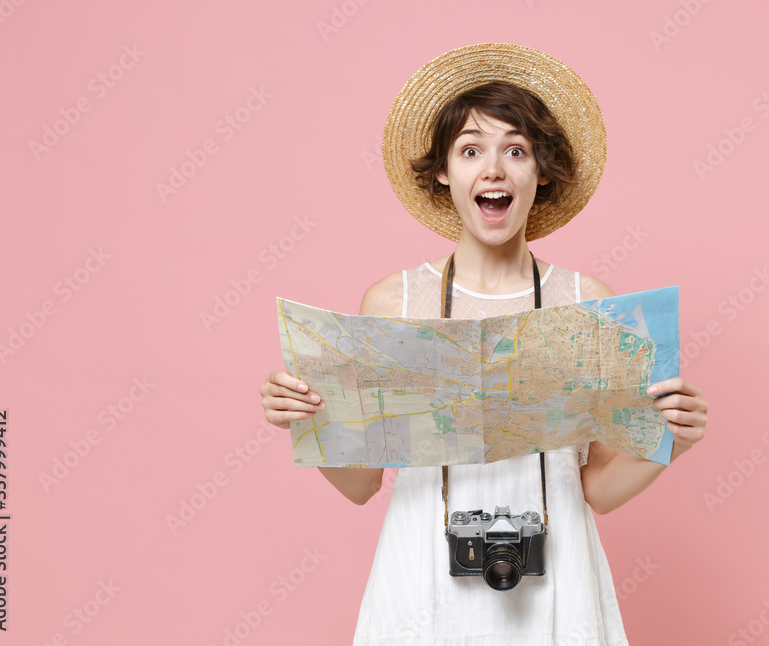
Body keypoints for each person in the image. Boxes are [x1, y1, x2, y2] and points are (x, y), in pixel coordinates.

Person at [259, 42, 709, 644]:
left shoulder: (588, 301)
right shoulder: (394, 304)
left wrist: (667, 443)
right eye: (471, 150)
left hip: (556, 578)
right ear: (444, 171)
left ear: (541, 172)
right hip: (423, 575)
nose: (492, 169)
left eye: (515, 151)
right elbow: (362, 482)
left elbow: (596, 489)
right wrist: (305, 421)